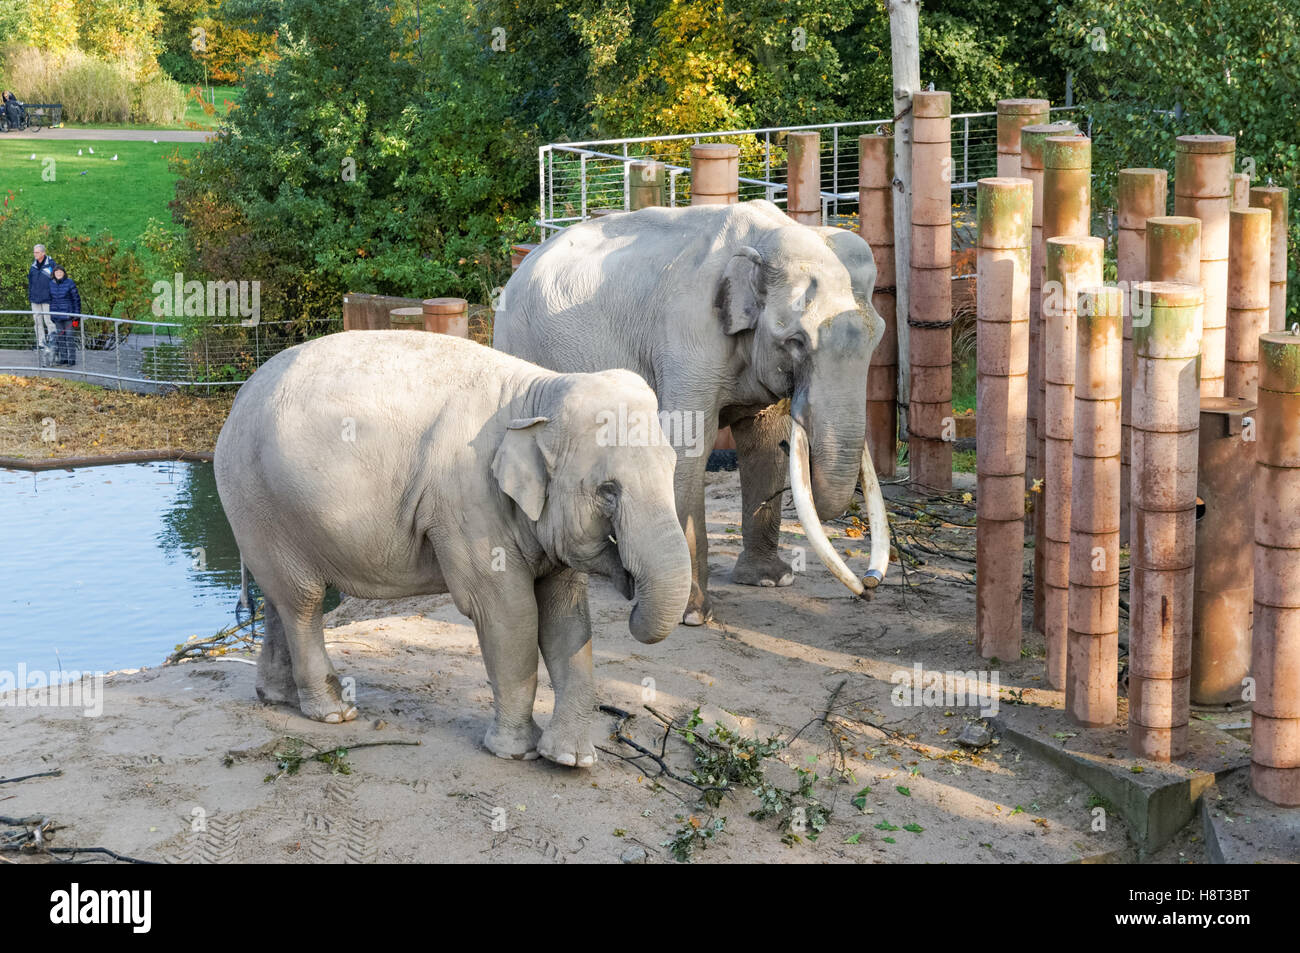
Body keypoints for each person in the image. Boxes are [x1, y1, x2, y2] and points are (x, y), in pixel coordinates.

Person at [47, 265, 81, 366]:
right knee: (60, 338)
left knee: (69, 337)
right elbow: (50, 300)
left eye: (60, 272)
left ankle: (71, 359)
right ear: (54, 274)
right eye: (57, 272)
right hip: (57, 316)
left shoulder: (70, 283)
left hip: (68, 315)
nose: (58, 274)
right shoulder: (50, 284)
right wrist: (51, 315)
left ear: (64, 273)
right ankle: (64, 358)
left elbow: (76, 299)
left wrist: (76, 315)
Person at [28, 244, 57, 351]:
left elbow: (57, 281)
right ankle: (41, 344)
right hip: (35, 299)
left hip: (48, 299)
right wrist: (30, 296)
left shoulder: (52, 264)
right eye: (34, 252)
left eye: (37, 252)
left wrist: (54, 296)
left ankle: (52, 343)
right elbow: (30, 283)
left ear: (43, 253)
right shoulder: (33, 266)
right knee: (37, 322)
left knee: (49, 321)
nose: (35, 254)